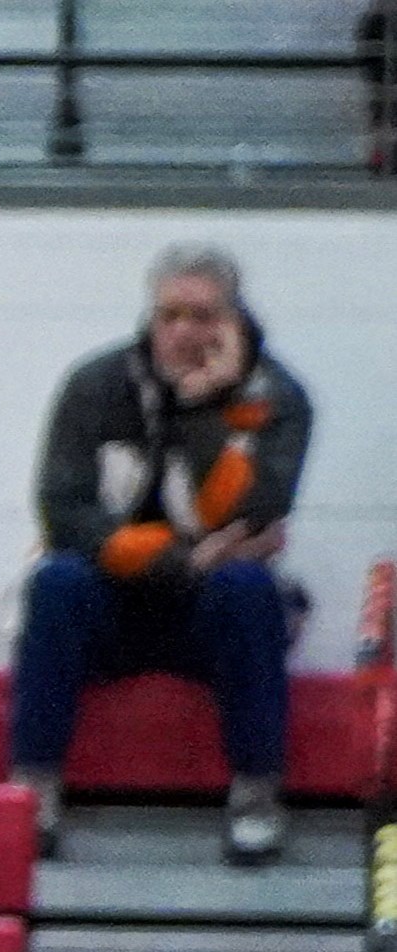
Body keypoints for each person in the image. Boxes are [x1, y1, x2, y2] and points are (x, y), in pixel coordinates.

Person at [16, 241, 312, 866]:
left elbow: (246, 514)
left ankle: (256, 796)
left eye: (202, 316)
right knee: (57, 579)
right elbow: (64, 508)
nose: (182, 331)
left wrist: (210, 404)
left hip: (214, 607)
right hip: (114, 593)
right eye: (169, 315)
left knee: (247, 587)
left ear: (233, 321)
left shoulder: (277, 399)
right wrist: (176, 560)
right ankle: (34, 790)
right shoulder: (97, 384)